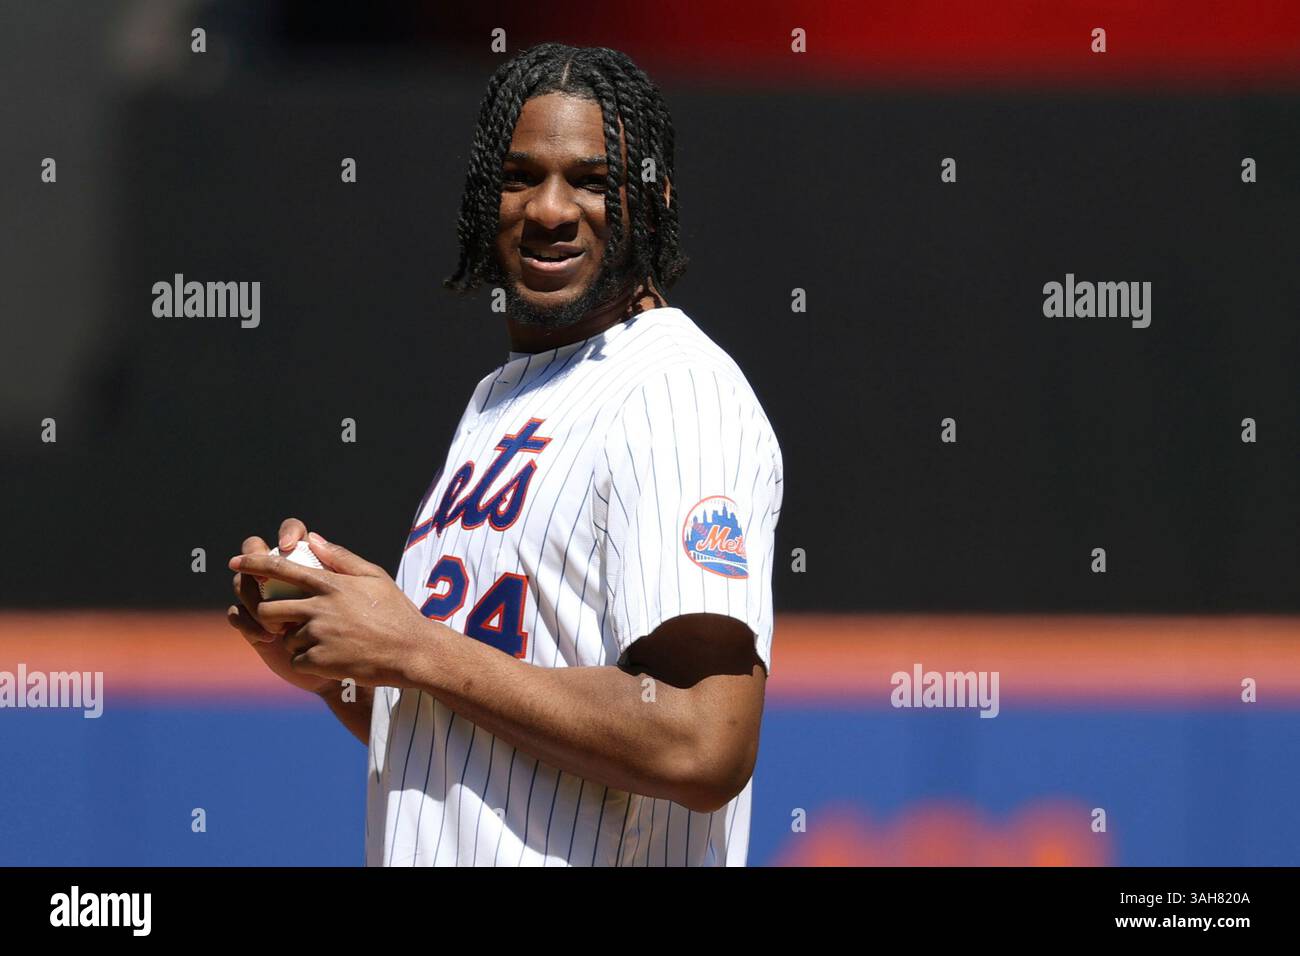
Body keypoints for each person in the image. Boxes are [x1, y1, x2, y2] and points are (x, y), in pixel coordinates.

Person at [227, 42, 783, 866]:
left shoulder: (676, 390)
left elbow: (703, 742)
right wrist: (345, 667)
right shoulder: (502, 397)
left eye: (591, 180)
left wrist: (413, 646)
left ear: (654, 196)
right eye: (520, 177)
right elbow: (476, 747)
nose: (550, 208)